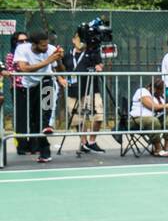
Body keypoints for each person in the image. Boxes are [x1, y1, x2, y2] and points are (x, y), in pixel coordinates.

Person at [12, 32, 62, 163]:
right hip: (29, 85)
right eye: (42, 46)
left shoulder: (51, 49)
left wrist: (59, 58)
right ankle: (44, 152)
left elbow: (60, 69)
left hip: (46, 81)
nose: (46, 48)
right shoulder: (22, 49)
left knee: (48, 85)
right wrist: (47, 61)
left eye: (47, 44)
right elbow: (24, 69)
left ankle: (47, 124)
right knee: (34, 121)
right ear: (34, 44)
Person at [63, 28, 106, 154]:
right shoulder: (67, 55)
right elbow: (60, 69)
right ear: (73, 40)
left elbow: (100, 65)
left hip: (91, 89)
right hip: (73, 90)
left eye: (82, 38)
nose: (80, 41)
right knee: (77, 119)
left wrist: (99, 67)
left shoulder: (91, 53)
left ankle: (92, 141)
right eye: (78, 38)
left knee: (98, 114)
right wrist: (61, 79)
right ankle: (83, 142)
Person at [128, 77, 168, 157]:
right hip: (137, 120)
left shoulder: (160, 97)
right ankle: (157, 149)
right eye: (160, 90)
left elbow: (165, 111)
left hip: (155, 119)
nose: (162, 92)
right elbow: (154, 107)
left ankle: (166, 149)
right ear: (153, 88)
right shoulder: (142, 91)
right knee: (153, 121)